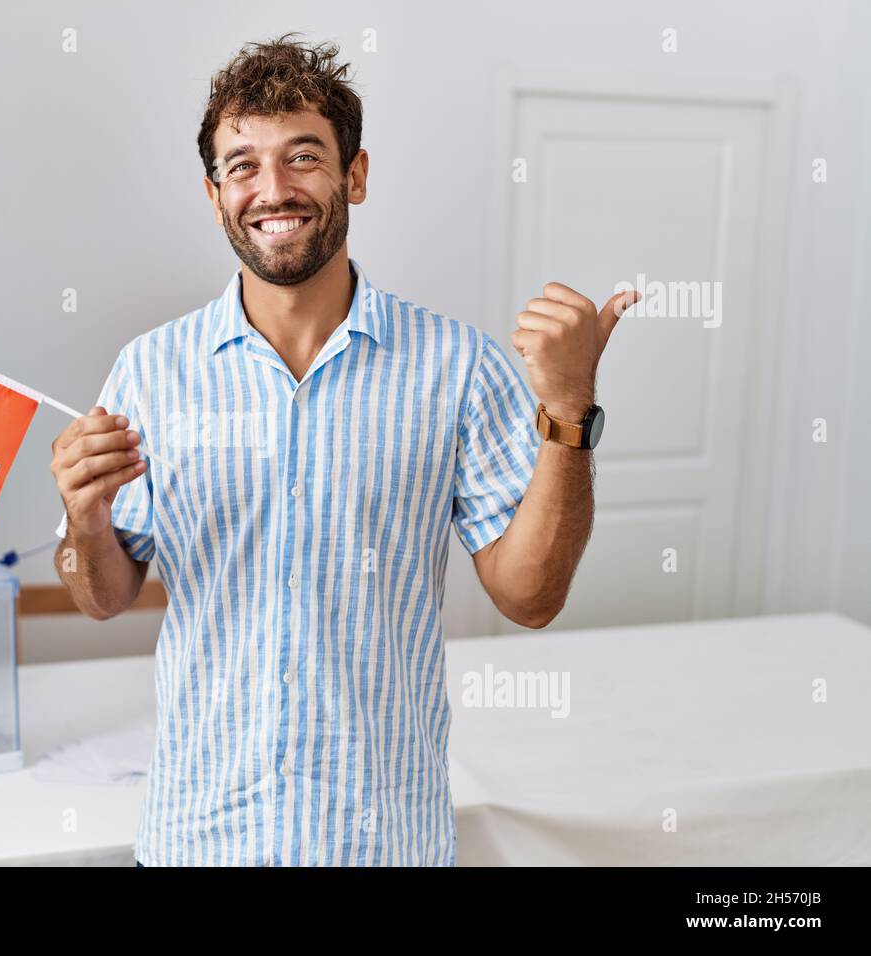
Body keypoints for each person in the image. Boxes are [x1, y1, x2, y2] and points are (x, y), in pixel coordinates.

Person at [50, 33, 637, 867]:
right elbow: (103, 595)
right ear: (214, 194)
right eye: (242, 165)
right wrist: (85, 520)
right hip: (199, 837)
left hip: (383, 840)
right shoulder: (149, 371)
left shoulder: (457, 366)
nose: (273, 188)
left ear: (354, 175)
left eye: (303, 156)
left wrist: (569, 410)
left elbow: (529, 598)